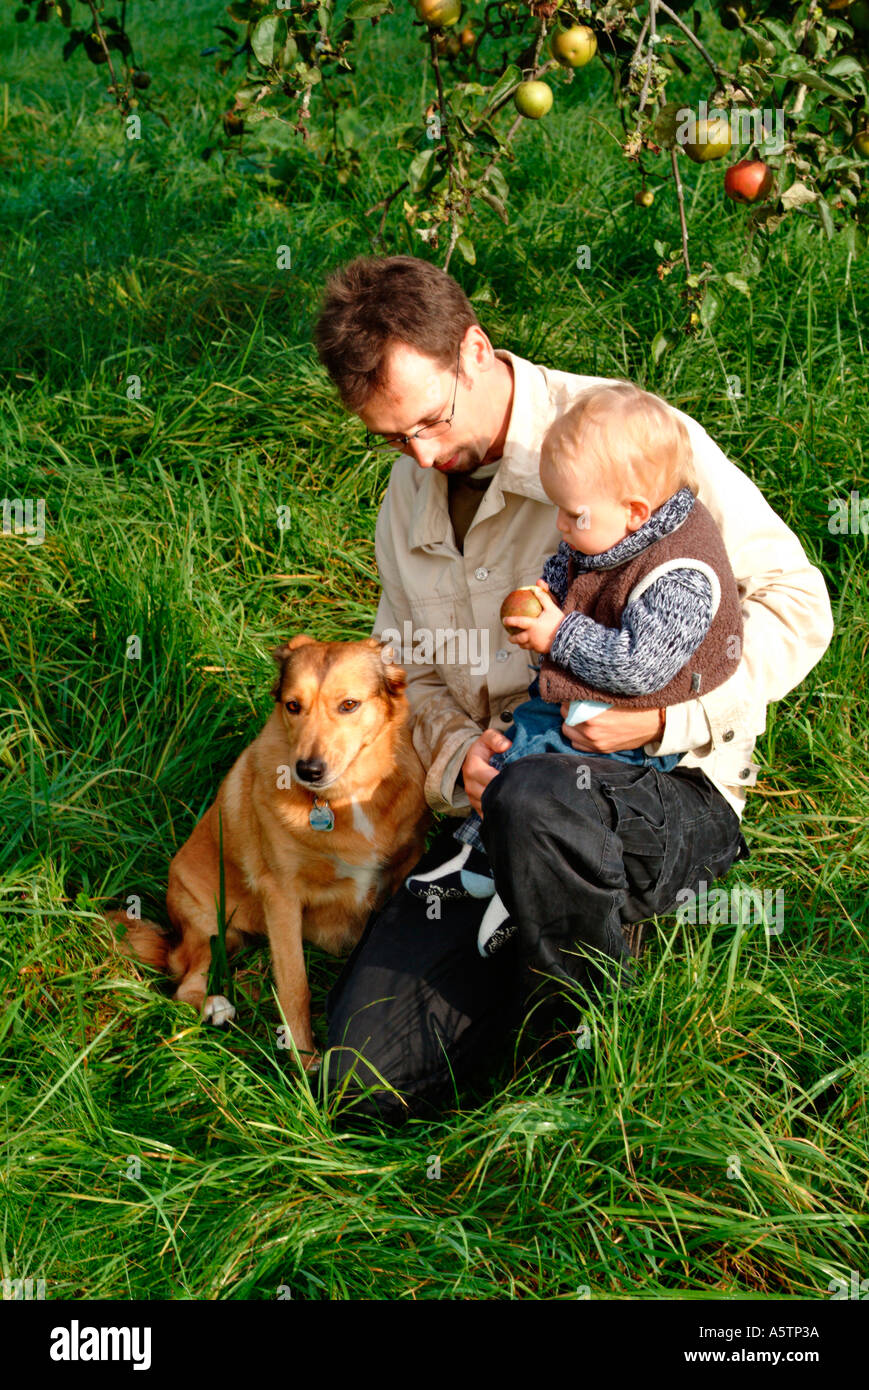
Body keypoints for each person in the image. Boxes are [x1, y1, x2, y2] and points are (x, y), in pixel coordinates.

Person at [312, 254, 834, 1121]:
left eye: (433, 422)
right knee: (360, 1079)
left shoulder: (622, 435)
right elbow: (404, 670)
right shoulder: (407, 498)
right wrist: (454, 763)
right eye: (394, 439)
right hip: (501, 801)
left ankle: (590, 1044)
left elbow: (797, 604)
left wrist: (665, 721)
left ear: (474, 349)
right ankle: (536, 940)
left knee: (541, 802)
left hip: (661, 787)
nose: (423, 455)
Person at [404, 382, 744, 962]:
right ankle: (481, 861)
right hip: (576, 698)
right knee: (522, 739)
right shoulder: (606, 526)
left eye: (570, 513)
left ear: (636, 510)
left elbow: (639, 666)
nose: (560, 524)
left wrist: (559, 632)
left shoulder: (682, 572)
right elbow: (570, 564)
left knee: (537, 774)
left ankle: (522, 891)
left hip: (640, 744)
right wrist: (547, 594)